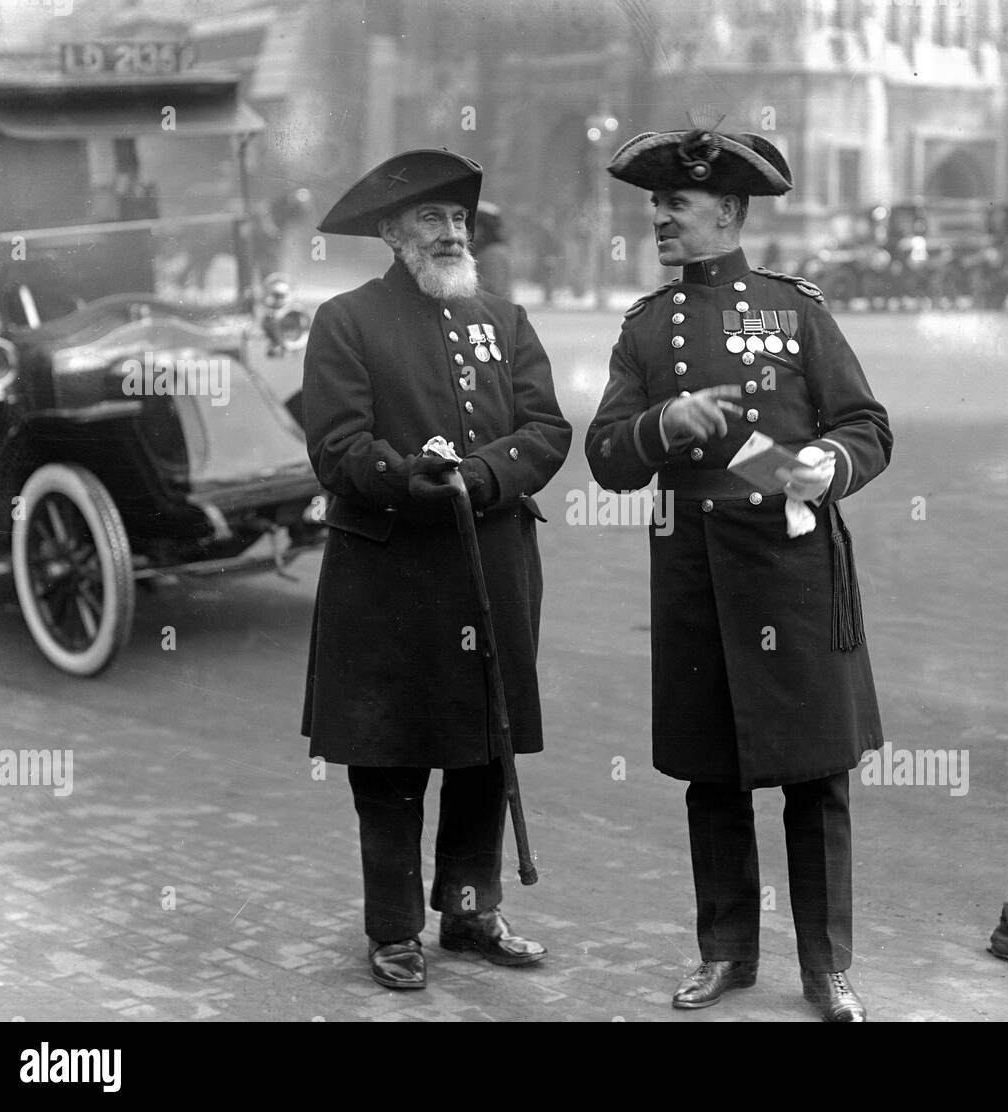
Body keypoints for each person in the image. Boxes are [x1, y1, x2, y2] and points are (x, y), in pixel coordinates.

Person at [585, 126, 893, 1021]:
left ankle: (827, 968)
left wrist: (828, 465)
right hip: (696, 578)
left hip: (791, 575)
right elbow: (607, 458)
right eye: (654, 206)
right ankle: (725, 953)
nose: (658, 220)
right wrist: (664, 425)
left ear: (726, 211)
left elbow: (866, 423)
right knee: (711, 778)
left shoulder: (796, 311)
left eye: (673, 205)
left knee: (816, 778)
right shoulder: (645, 330)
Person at [301, 149, 572, 991]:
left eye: (458, 221)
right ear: (390, 234)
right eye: (430, 220)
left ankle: (468, 911)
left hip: (491, 566)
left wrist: (483, 477)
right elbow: (337, 448)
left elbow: (546, 428)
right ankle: (393, 930)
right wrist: (407, 476)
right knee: (389, 758)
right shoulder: (345, 321)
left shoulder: (507, 318)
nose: (452, 233)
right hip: (388, 577)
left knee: (482, 749)